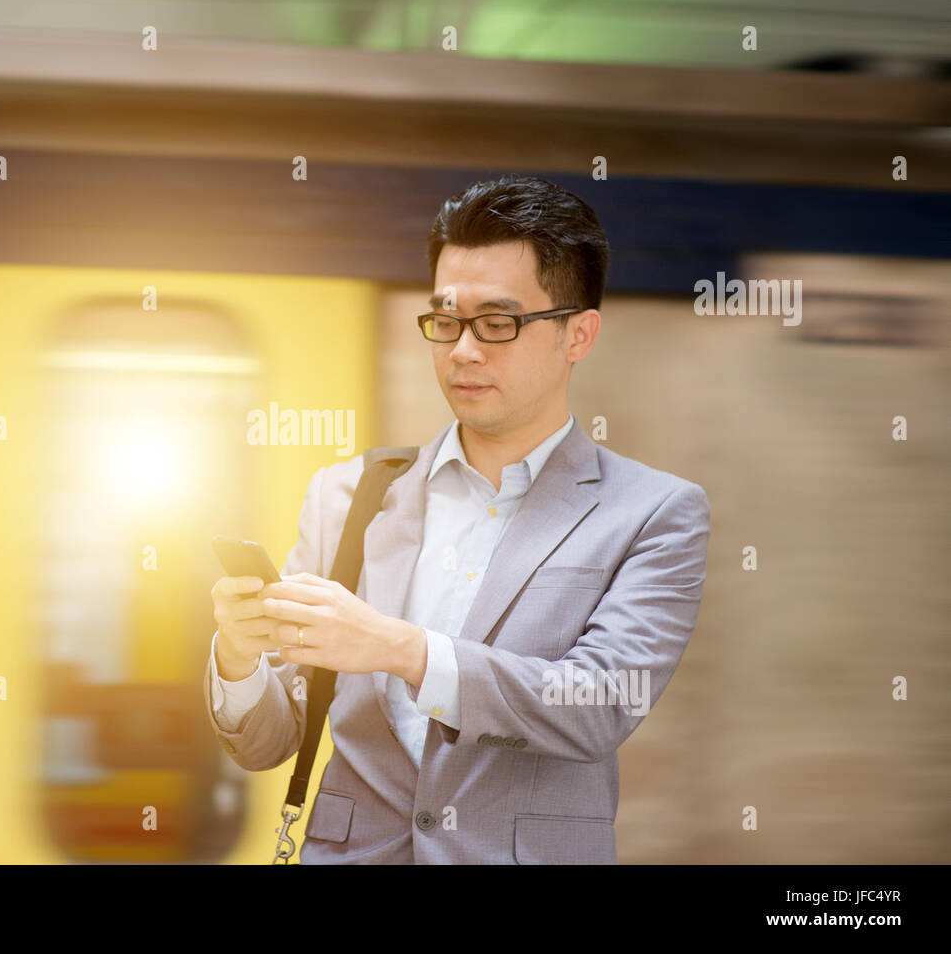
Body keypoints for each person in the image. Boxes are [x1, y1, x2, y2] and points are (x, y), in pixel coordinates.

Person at [203, 175, 711, 863]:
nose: (463, 350)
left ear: (578, 334)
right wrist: (238, 656)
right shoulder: (349, 495)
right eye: (446, 321)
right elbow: (270, 739)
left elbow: (596, 706)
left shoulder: (653, 512)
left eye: (499, 323)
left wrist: (398, 647)